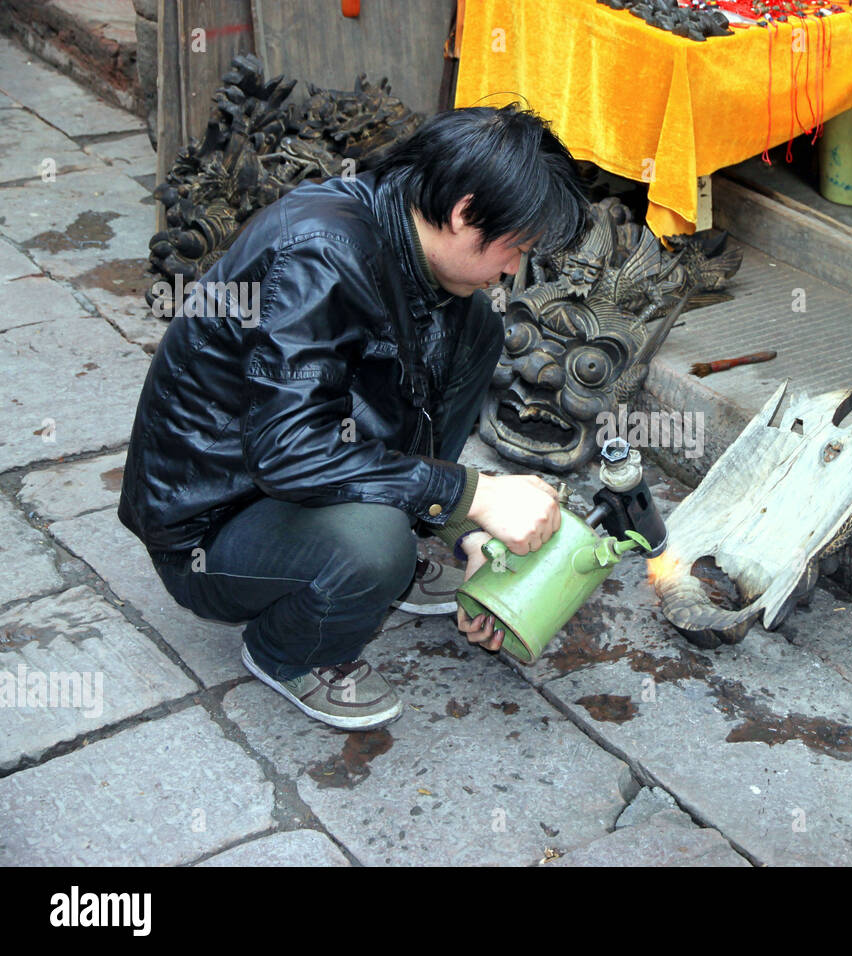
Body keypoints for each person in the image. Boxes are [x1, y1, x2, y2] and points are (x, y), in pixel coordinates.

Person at [119, 104, 589, 731]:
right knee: (372, 546)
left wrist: (463, 533)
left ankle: (395, 547)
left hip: (290, 483)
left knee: (477, 326)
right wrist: (470, 495)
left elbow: (406, 418)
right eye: (515, 247)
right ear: (462, 212)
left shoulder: (425, 259)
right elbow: (288, 451)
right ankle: (290, 651)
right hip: (210, 524)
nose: (513, 269)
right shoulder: (319, 252)